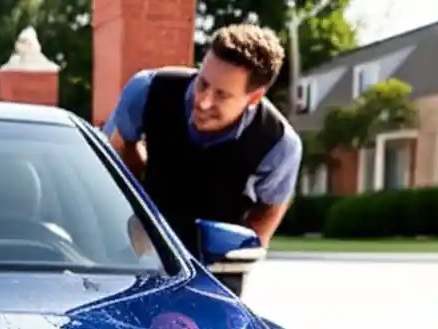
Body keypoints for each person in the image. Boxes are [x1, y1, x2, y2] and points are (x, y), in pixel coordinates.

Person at [103, 23, 302, 294]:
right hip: (139, 247)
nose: (204, 101)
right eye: (203, 83)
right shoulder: (147, 90)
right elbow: (119, 149)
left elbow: (270, 210)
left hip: (215, 269)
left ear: (253, 97)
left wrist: (237, 257)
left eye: (222, 95)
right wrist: (139, 211)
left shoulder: (279, 145)